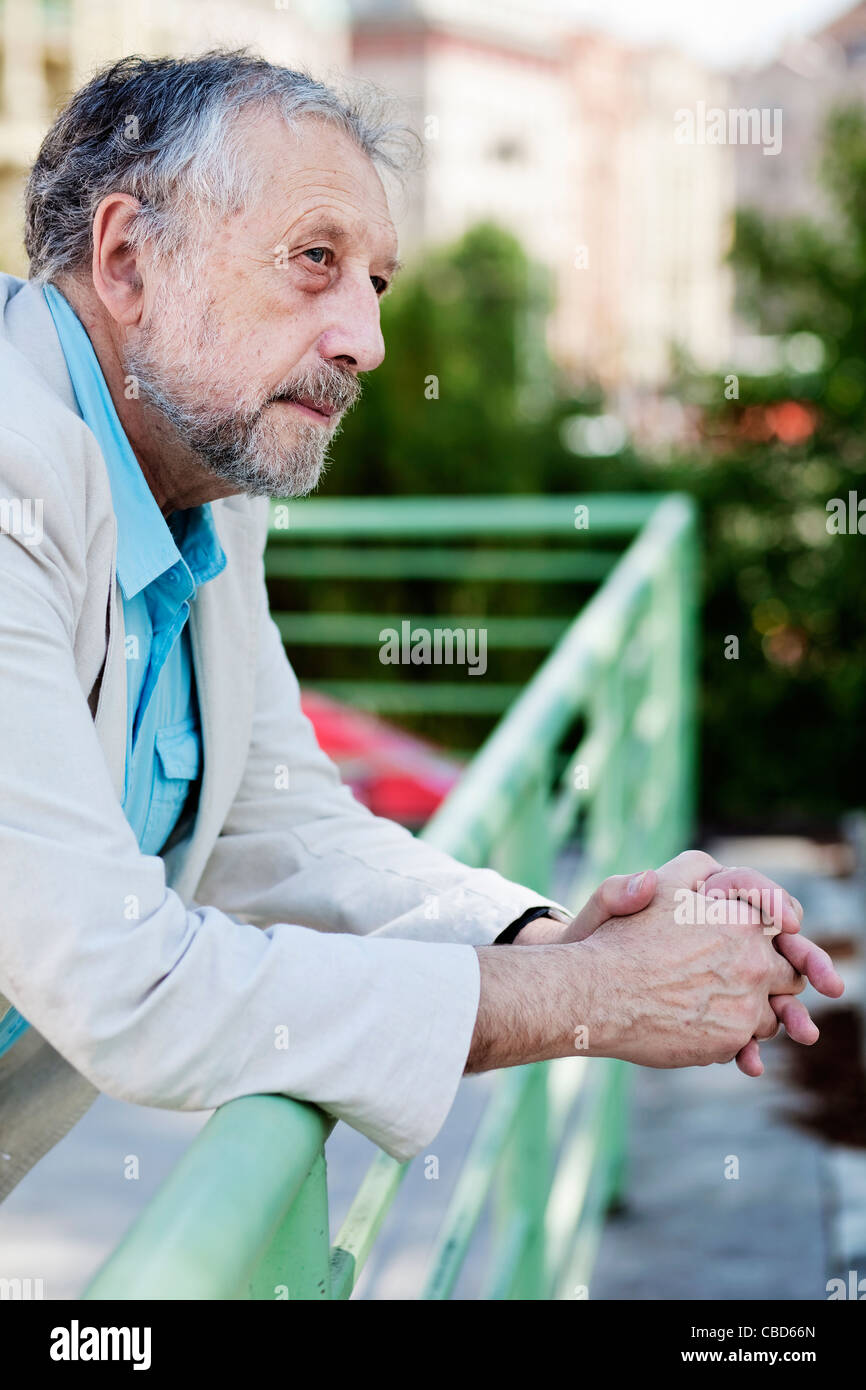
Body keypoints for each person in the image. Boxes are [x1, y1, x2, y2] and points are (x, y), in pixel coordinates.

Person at [0, 51, 842, 1203]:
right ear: (128, 257)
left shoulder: (198, 491)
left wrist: (559, 944)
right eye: (315, 261)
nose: (367, 341)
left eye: (377, 284)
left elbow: (281, 832)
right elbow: (128, 987)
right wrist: (599, 1000)